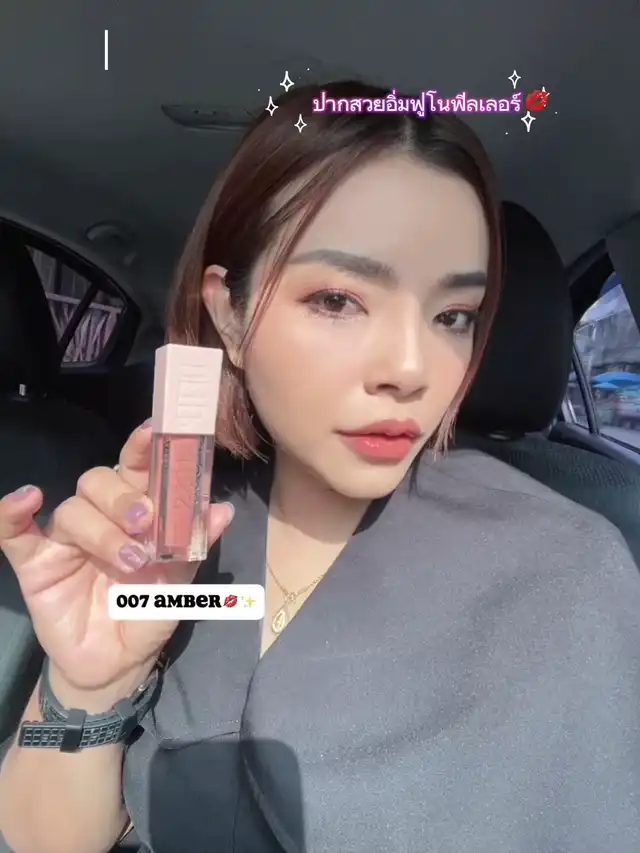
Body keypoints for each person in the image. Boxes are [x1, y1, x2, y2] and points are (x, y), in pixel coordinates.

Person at [1, 80, 640, 853]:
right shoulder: (171, 536)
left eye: (453, 316)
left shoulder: (565, 576)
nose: (411, 368)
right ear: (229, 315)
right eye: (338, 299)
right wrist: (90, 681)